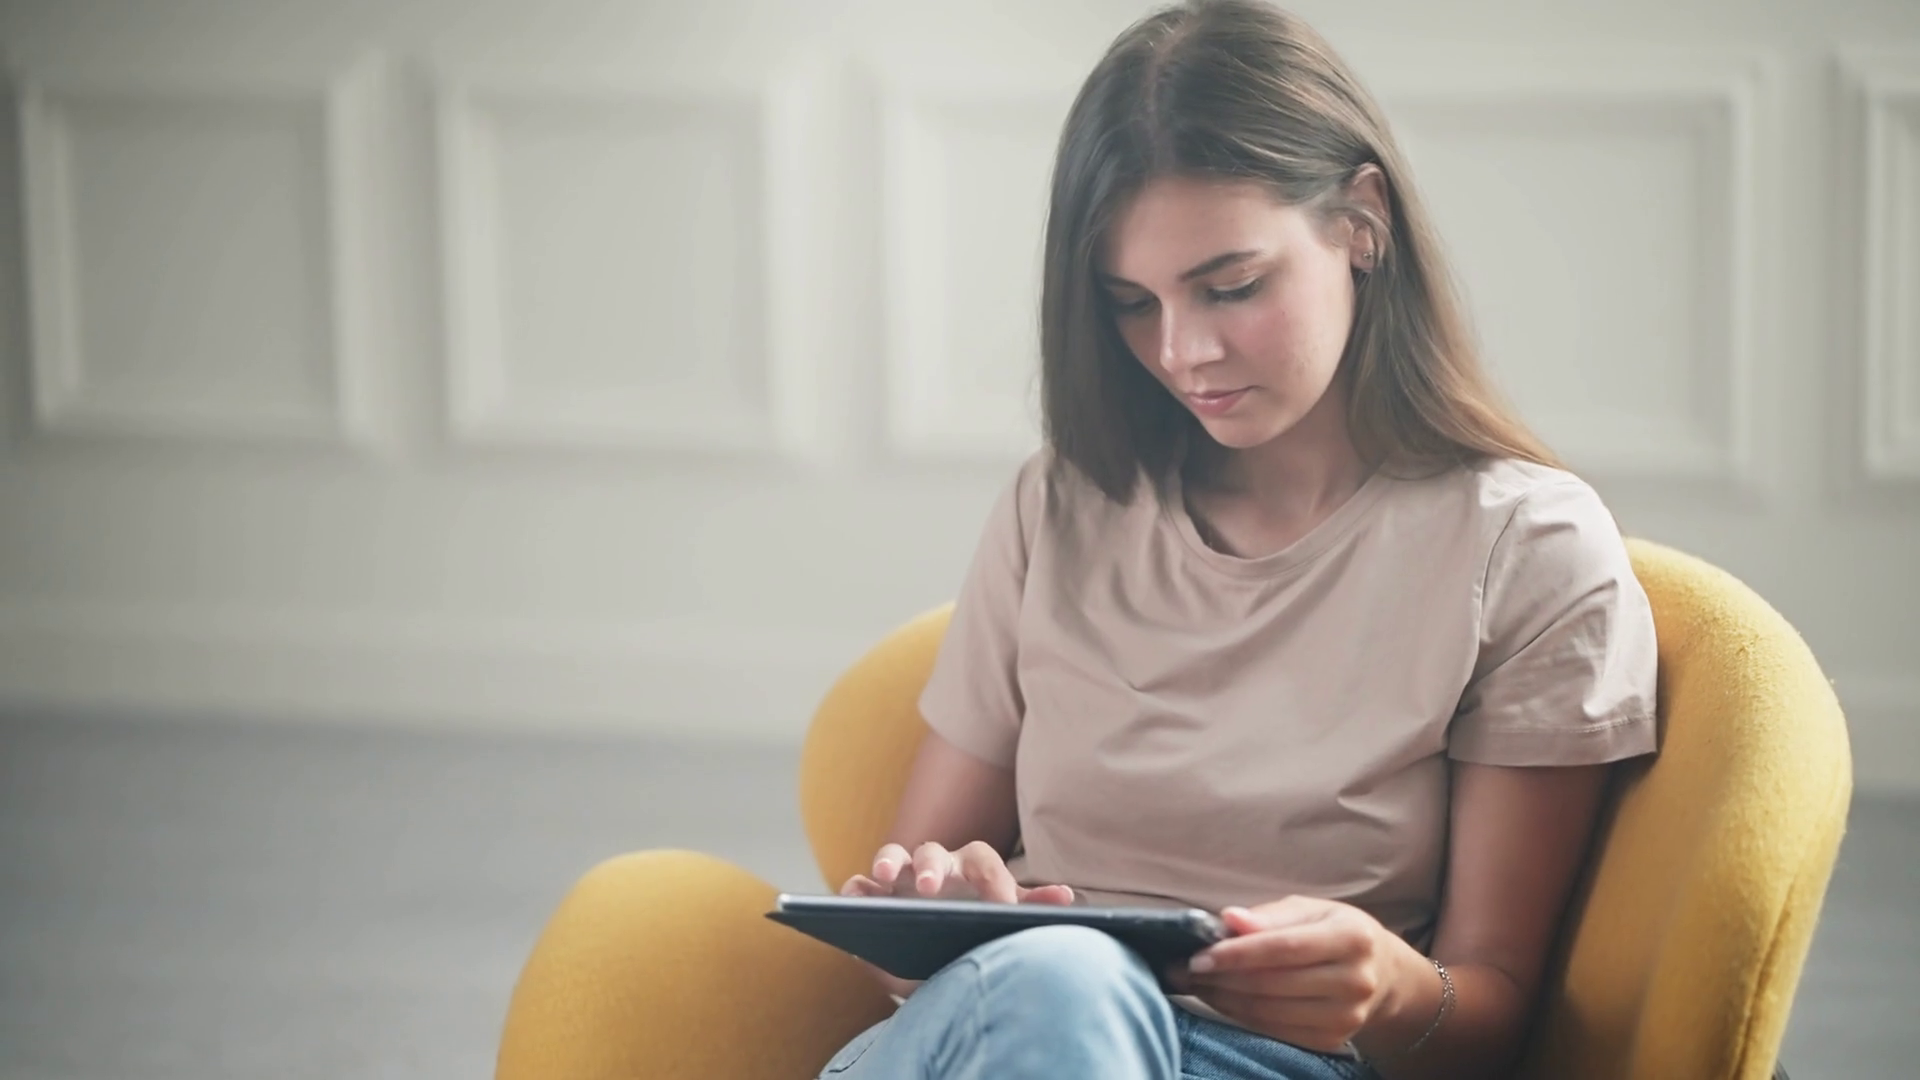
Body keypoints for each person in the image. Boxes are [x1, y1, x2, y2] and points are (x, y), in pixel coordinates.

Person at [818, 1, 1658, 1077]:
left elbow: (1492, 1018)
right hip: (978, 1035)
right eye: (1130, 303)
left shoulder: (1525, 548)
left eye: (1231, 288)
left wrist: (1393, 983)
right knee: (1053, 982)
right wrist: (932, 912)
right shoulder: (1062, 504)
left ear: (1362, 222)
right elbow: (896, 930)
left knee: (1064, 983)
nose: (1182, 352)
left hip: (1270, 1062)